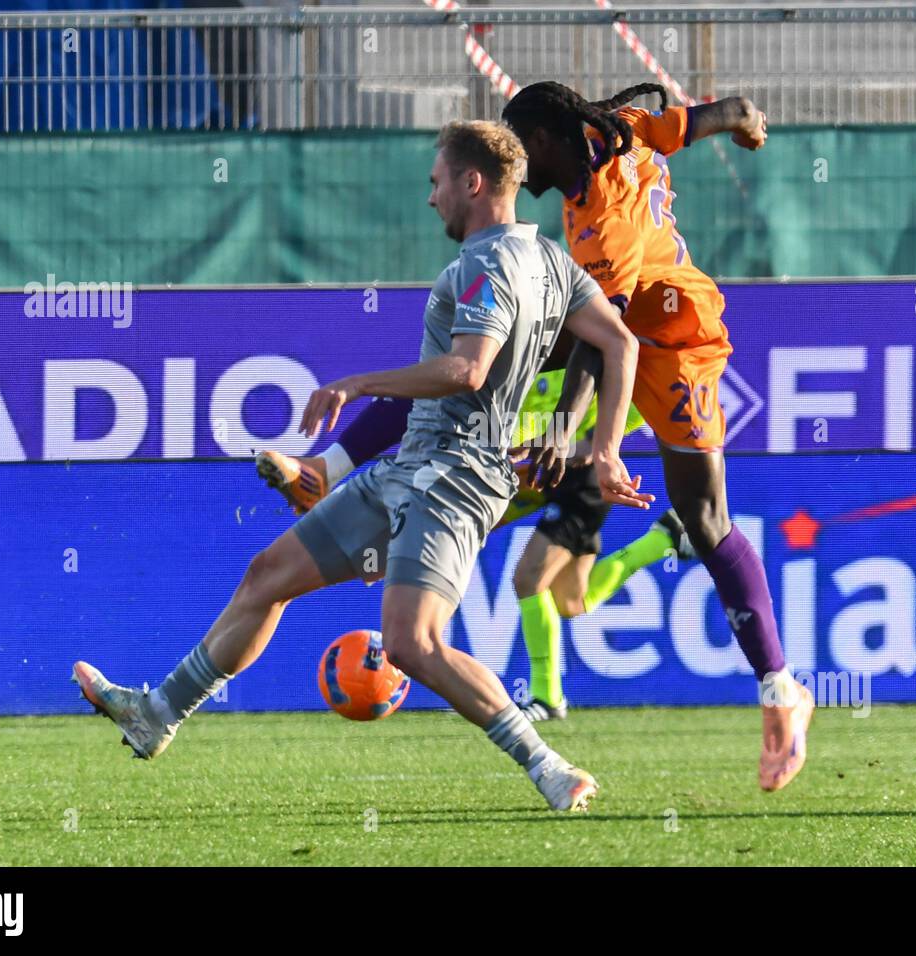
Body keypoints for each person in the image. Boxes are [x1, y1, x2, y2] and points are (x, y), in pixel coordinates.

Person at [73, 119, 651, 812]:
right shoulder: (553, 262)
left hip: (456, 481)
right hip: (416, 467)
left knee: (413, 642)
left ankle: (548, 764)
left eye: (436, 182)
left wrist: (357, 383)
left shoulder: (485, 263)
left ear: (472, 183)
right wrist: (607, 447)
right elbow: (620, 342)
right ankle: (159, 711)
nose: (429, 197)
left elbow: (467, 370)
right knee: (268, 576)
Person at [499, 81, 815, 792]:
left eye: (520, 153)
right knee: (501, 342)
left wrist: (561, 428)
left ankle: (780, 689)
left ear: (545, 141)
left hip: (674, 337)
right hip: (625, 332)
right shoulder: (622, 127)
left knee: (706, 520)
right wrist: (747, 122)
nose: (517, 170)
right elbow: (718, 111)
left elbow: (597, 341)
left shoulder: (604, 214)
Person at [256, 371, 695, 724]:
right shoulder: (568, 338)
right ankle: (662, 540)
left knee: (528, 579)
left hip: (576, 472)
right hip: (516, 462)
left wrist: (546, 448)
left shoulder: (641, 380)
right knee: (572, 601)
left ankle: (547, 696)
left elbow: (599, 443)